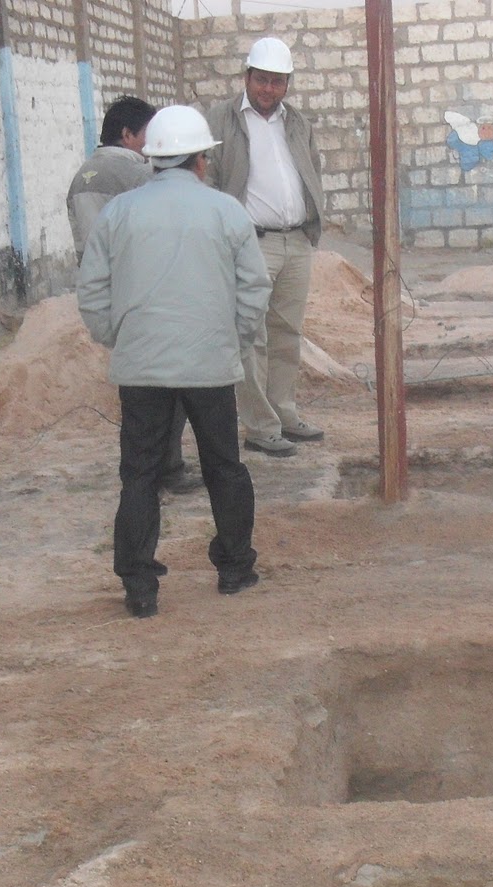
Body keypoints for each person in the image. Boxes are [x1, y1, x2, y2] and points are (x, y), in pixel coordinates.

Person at [77, 105, 271, 617]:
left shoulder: (120, 212)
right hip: (210, 364)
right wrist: (236, 338)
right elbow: (254, 287)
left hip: (141, 367)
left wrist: (114, 336)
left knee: (139, 474)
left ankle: (139, 586)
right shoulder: (227, 211)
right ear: (202, 160)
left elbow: (92, 287)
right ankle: (235, 568)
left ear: (153, 158)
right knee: (224, 467)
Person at [67, 95, 202, 495]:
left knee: (140, 397)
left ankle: (145, 472)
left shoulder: (83, 174)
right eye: (148, 135)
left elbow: (90, 253)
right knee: (173, 390)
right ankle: (169, 469)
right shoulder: (136, 174)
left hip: (118, 298)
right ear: (127, 135)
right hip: (153, 295)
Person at [205, 36, 327, 459]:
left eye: (277, 82)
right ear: (247, 77)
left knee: (286, 334)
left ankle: (285, 414)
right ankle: (260, 426)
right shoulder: (221, 120)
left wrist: (313, 221)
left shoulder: (297, 123)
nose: (268, 90)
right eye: (262, 80)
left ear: (287, 84)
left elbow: (311, 171)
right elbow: (209, 179)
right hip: (250, 241)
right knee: (251, 337)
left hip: (296, 240)